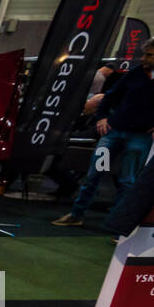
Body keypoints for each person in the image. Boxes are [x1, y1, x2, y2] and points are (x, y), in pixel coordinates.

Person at [54, 40, 154, 227]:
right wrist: (101, 117)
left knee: (127, 181)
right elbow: (110, 96)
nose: (144, 58)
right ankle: (77, 214)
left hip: (139, 138)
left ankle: (116, 225)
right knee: (95, 174)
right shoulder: (135, 74)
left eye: (149, 55)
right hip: (113, 134)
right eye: (145, 54)